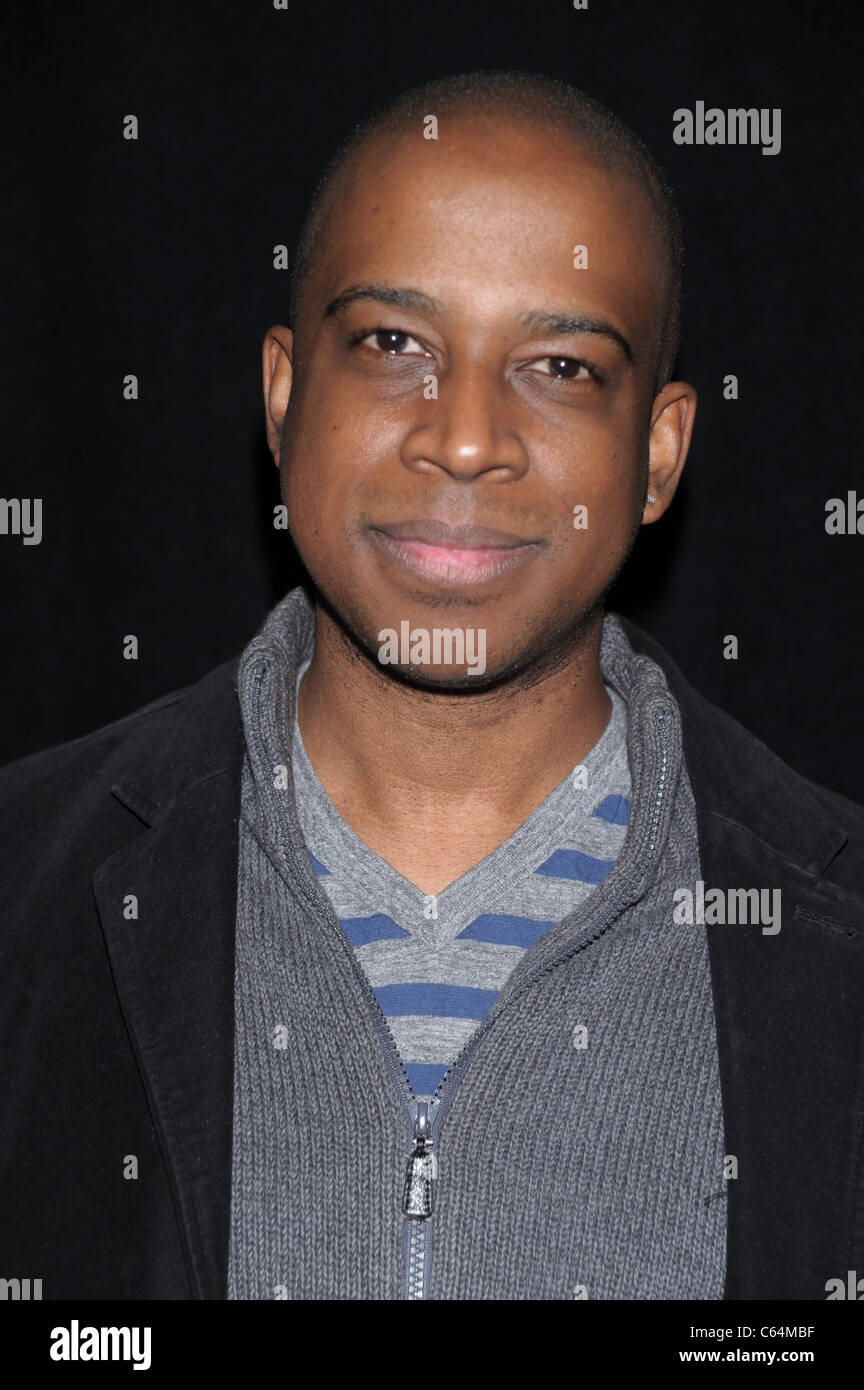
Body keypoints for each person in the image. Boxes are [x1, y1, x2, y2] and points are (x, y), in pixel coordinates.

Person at [1, 70, 862, 1302]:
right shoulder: (24, 889)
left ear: (659, 454)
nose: (463, 436)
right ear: (285, 398)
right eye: (395, 344)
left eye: (560, 365)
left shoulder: (835, 949)